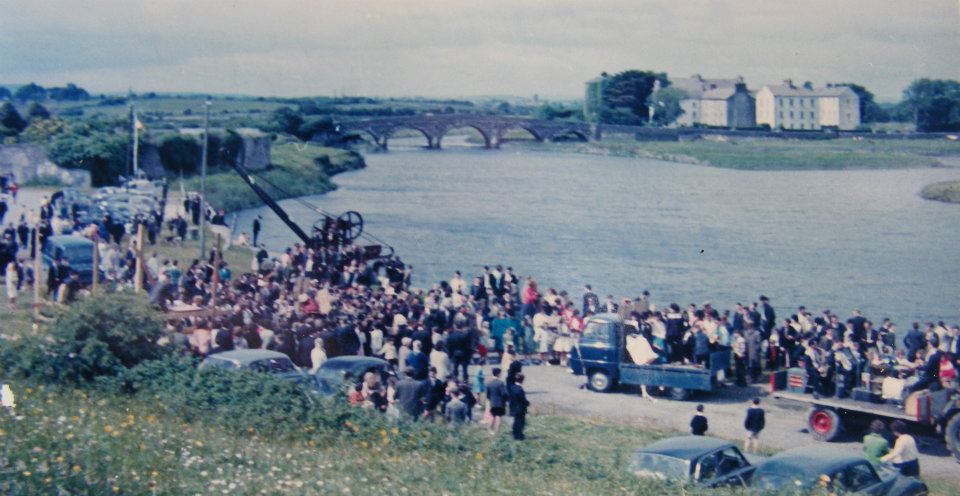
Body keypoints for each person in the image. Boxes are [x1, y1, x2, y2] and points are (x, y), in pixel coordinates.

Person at [486, 367, 508, 434]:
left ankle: (490, 430)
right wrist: (506, 400)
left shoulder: (489, 383)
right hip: (500, 403)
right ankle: (497, 431)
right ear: (498, 374)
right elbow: (504, 394)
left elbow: (488, 395)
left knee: (493, 416)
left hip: (492, 403)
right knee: (499, 417)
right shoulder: (501, 383)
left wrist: (490, 400)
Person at [508, 372, 529, 441]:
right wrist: (527, 403)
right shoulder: (519, 389)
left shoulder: (512, 388)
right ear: (522, 380)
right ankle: (519, 435)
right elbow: (522, 399)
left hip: (513, 407)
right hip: (520, 408)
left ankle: (515, 434)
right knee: (520, 422)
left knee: (516, 422)